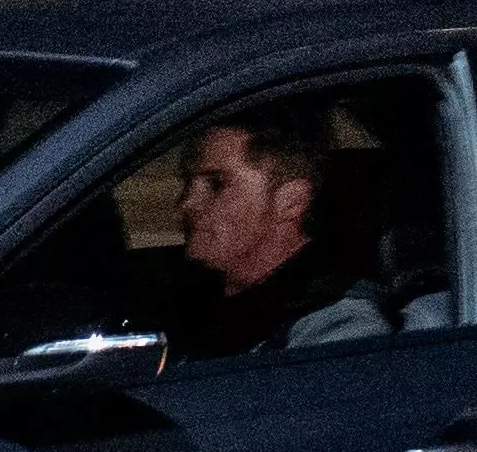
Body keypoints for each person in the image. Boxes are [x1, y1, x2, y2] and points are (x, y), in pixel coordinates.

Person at [159, 102, 396, 358]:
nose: (187, 203)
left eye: (217, 184)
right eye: (188, 182)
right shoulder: (196, 298)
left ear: (291, 201)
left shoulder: (337, 325)